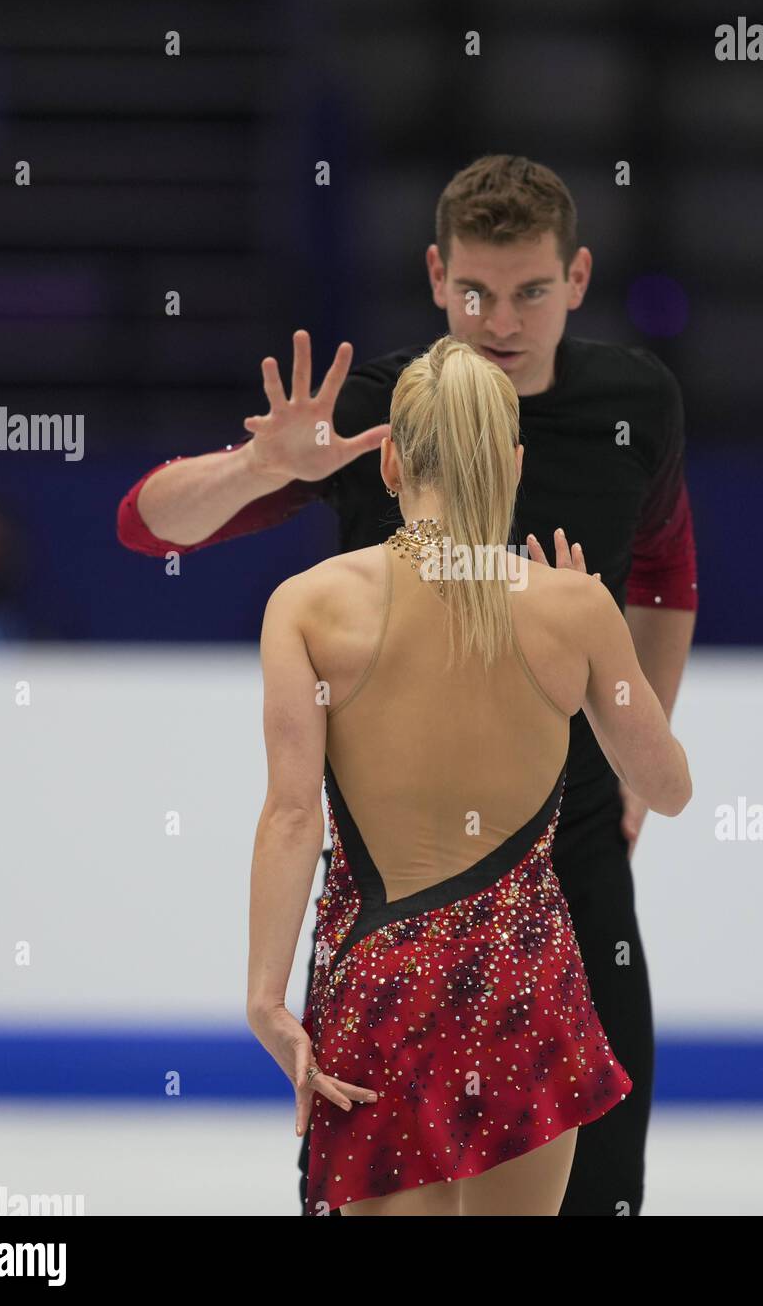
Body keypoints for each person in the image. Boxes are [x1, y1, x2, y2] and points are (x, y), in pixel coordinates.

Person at [117, 154, 699, 1215]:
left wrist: (616, 760)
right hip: (497, 929)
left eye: (527, 291)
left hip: (428, 917)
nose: (500, 321)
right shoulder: (372, 408)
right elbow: (150, 520)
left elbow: (670, 571)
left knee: (604, 1187)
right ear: (436, 276)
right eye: (476, 292)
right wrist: (266, 466)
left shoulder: (633, 406)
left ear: (574, 279)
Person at [246, 334, 691, 1216]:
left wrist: (265, 998)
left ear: (392, 465)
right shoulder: (573, 608)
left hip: (381, 979)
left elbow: (291, 818)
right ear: (513, 461)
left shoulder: (308, 604)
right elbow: (667, 787)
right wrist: (596, 650)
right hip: (523, 984)